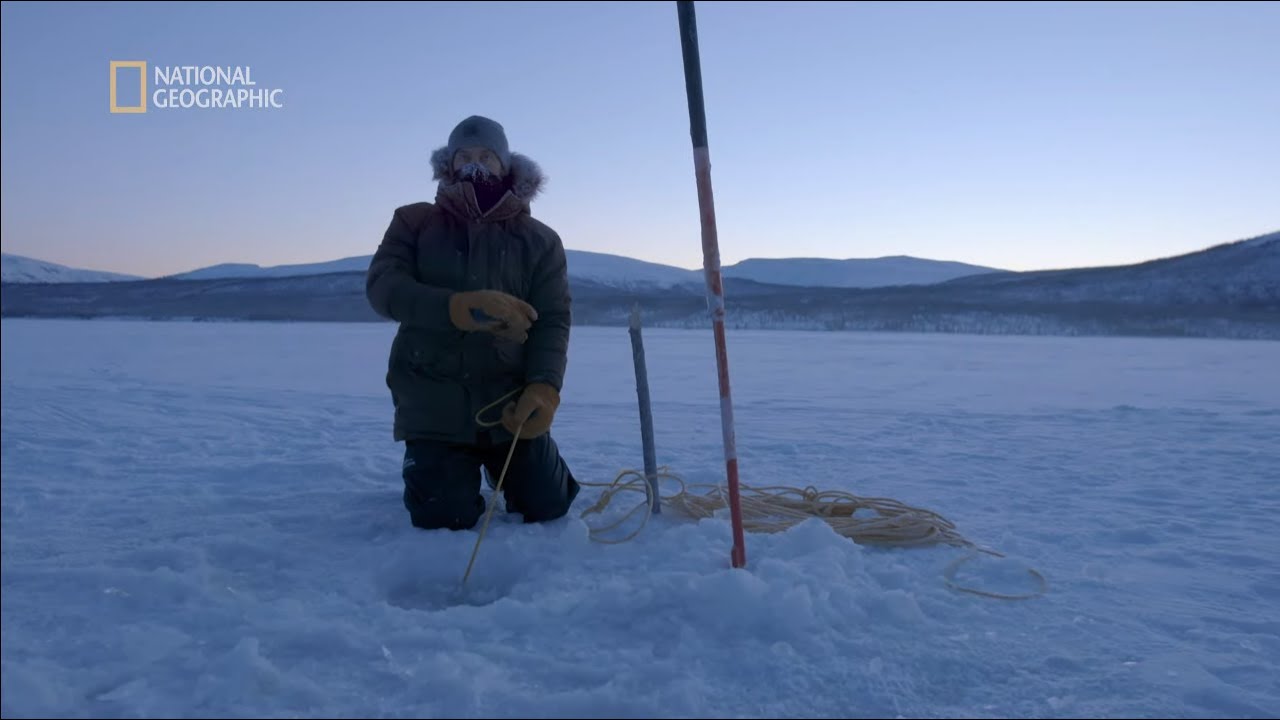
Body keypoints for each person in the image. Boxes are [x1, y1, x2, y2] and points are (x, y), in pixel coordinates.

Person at [365, 115, 579, 531]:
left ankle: (513, 467)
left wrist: (544, 386)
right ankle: (437, 469)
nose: (475, 164)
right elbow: (383, 288)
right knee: (445, 516)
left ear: (507, 165)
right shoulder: (413, 223)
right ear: (448, 165)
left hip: (508, 403)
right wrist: (455, 308)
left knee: (548, 506)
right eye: (464, 156)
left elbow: (553, 319)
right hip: (432, 399)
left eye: (486, 156)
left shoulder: (540, 240)